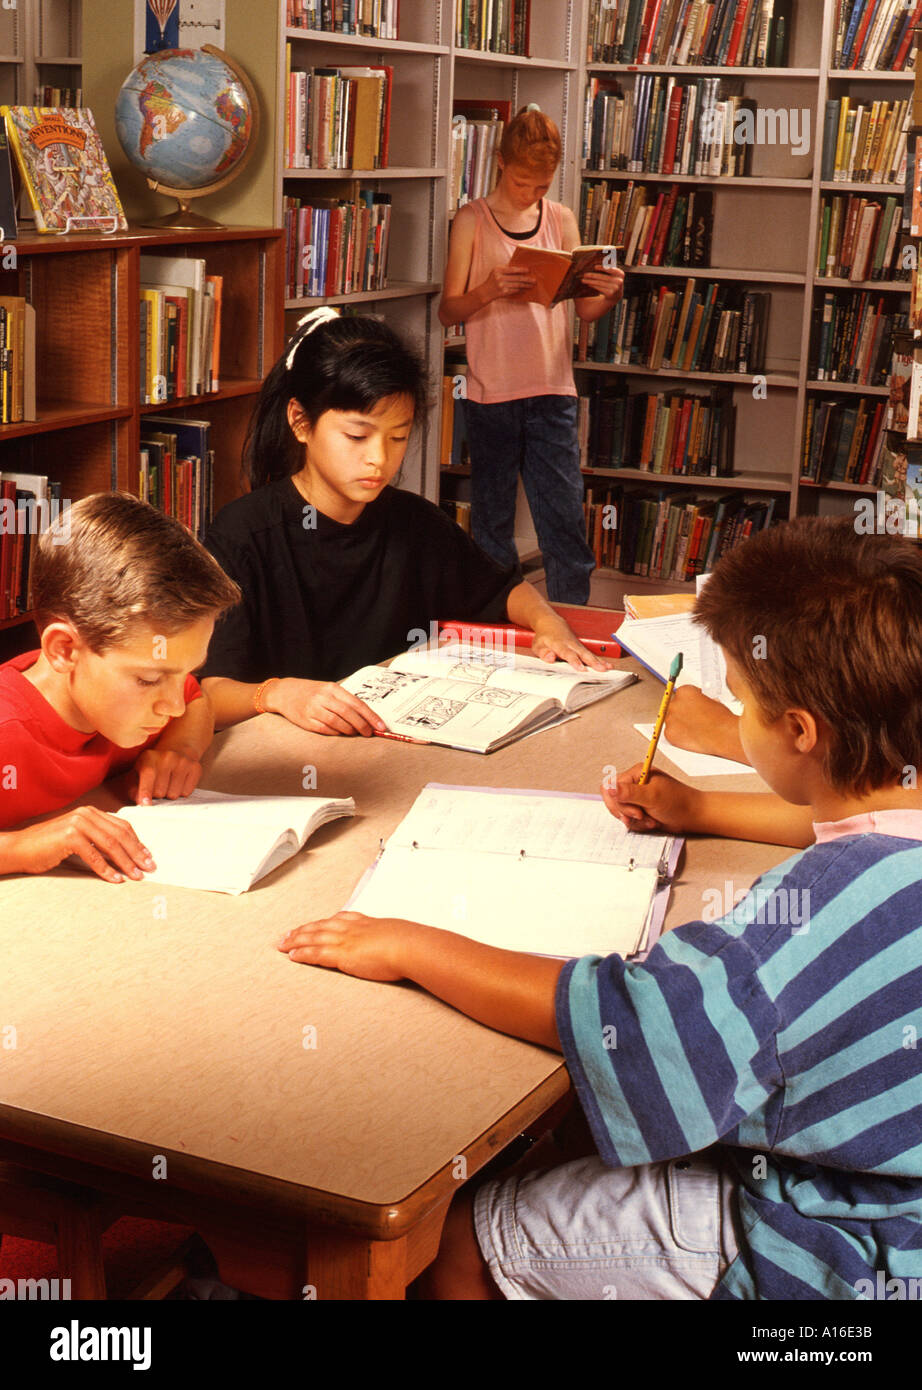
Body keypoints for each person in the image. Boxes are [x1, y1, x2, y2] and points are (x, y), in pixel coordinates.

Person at [279, 517, 922, 1300]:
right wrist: (704, 810)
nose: (738, 724)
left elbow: (642, 1028)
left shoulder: (822, 911)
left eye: (744, 705)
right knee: (579, 1143)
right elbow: (841, 822)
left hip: (858, 1242)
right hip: (896, 1172)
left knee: (462, 1236)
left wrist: (413, 947)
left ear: (798, 732)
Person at [200, 307, 607, 736]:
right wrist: (277, 694)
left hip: (390, 743)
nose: (379, 458)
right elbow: (209, 695)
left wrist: (549, 624)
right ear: (300, 422)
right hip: (284, 754)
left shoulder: (415, 524)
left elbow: (503, 589)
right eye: (357, 436)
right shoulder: (242, 535)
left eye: (397, 437)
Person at [0, 492, 239, 882]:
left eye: (184, 672)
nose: (173, 706)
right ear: (64, 650)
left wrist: (179, 749)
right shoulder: (6, 734)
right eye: (149, 679)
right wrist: (20, 847)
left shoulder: (141, 696)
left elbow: (198, 702)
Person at [438, 106, 624, 604]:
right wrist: (490, 289)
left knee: (564, 524)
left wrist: (608, 293)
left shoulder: (560, 219)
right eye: (523, 182)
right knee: (492, 526)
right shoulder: (472, 220)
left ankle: (571, 627)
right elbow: (447, 309)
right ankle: (494, 627)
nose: (531, 194)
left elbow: (584, 312)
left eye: (542, 185)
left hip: (552, 391)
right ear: (500, 162)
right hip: (491, 394)